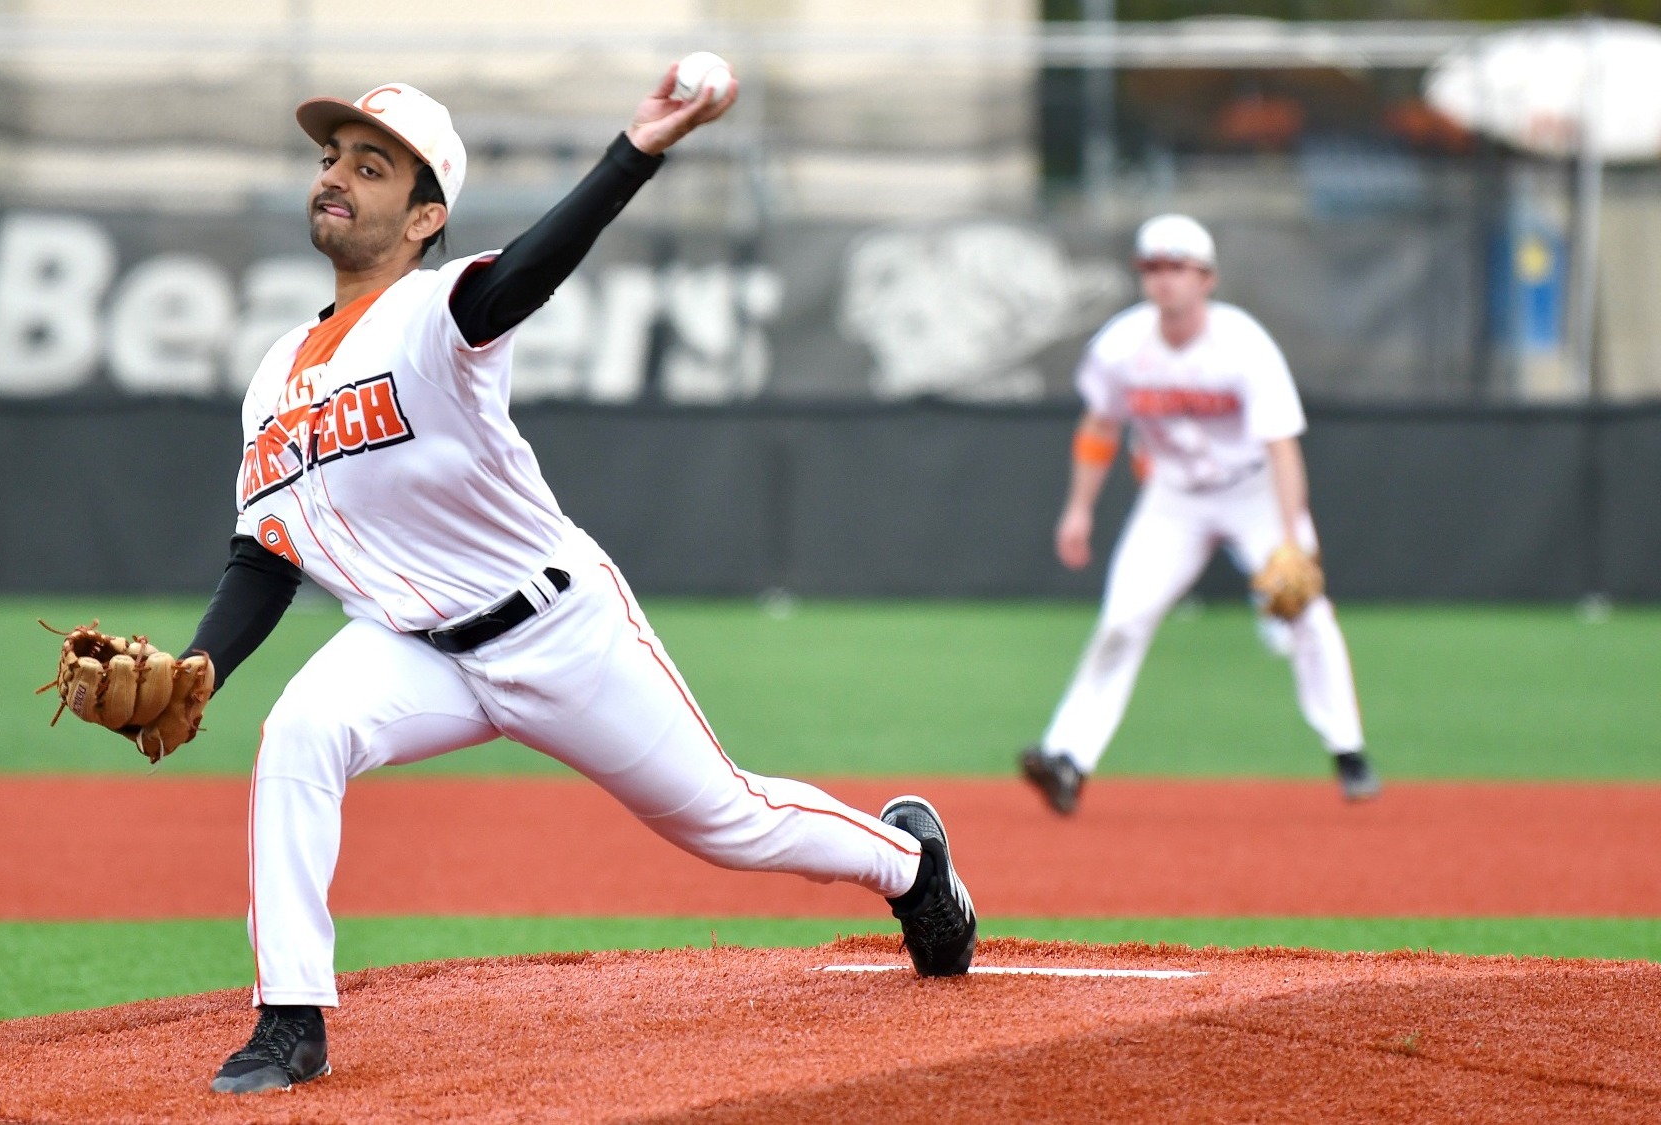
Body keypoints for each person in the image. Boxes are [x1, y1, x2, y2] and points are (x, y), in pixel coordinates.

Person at [160, 72, 978, 1095]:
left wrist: (636, 148)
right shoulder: (273, 372)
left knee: (727, 821)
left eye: (370, 167)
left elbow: (525, 277)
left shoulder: (435, 313)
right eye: (330, 160)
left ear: (425, 217)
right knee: (299, 735)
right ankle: (290, 1021)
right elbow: (264, 555)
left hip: (556, 629)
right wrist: (200, 665)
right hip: (413, 647)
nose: (335, 176)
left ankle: (907, 866)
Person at [1018, 214, 1379, 816]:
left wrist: (1293, 539)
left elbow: (1281, 446)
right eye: (1152, 267)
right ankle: (1067, 760)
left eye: (1177, 267)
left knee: (1308, 614)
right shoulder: (1120, 346)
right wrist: (1077, 510)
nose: (1164, 280)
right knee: (1122, 620)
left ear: (1207, 278)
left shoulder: (1244, 345)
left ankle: (1349, 752)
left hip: (1254, 491)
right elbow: (1101, 425)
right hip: (1174, 499)